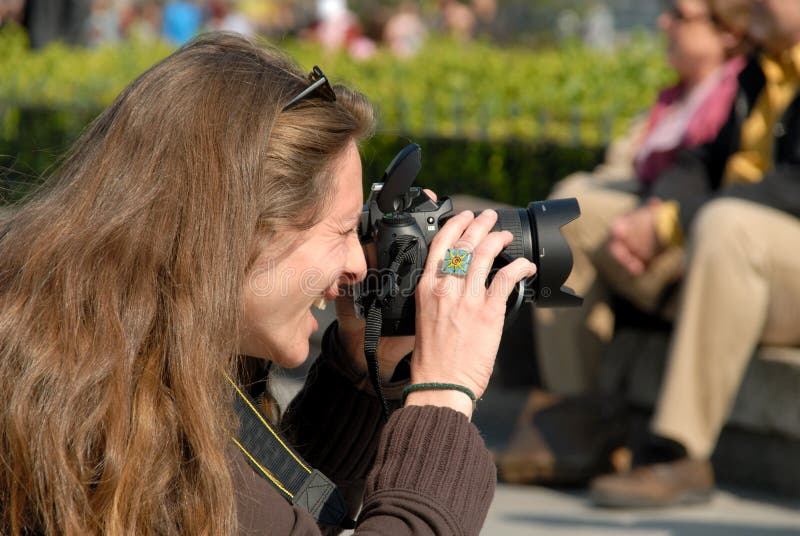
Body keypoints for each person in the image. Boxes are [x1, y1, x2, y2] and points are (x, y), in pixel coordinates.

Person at [0, 33, 536, 534]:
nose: (358, 264)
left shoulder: (114, 355)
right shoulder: (97, 424)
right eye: (344, 230)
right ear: (239, 232)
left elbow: (280, 513)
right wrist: (443, 396)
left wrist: (358, 370)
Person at [497, 0, 752, 486]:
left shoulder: (736, 90)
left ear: (727, 33)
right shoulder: (673, 100)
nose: (664, 23)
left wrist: (652, 220)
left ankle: (579, 421)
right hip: (652, 235)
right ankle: (569, 420)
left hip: (691, 246)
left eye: (680, 14)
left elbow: (711, 180)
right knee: (553, 216)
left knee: (562, 220)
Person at [587, 0, 800, 506]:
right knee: (580, 213)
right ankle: (579, 418)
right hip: (732, 250)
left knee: (726, 227)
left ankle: (680, 450)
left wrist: (671, 221)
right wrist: (654, 211)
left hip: (759, 251)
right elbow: (701, 162)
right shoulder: (762, 67)